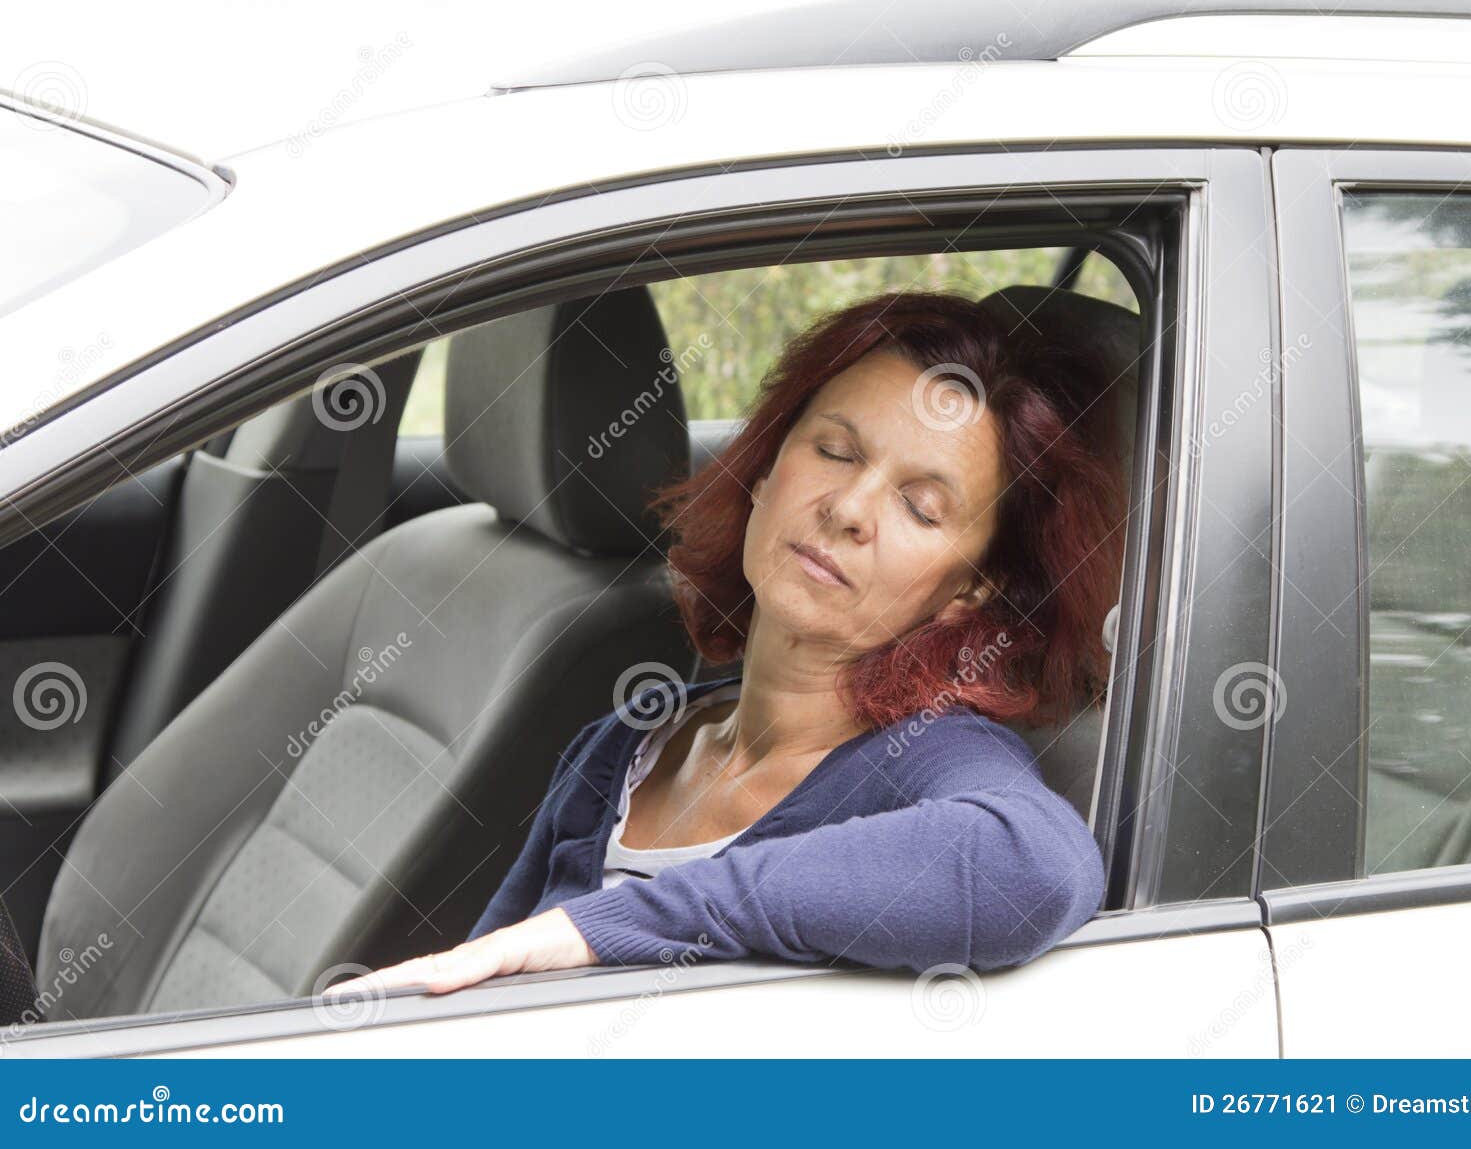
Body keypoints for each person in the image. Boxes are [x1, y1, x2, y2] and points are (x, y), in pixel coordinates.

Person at [327, 288, 1127, 1000]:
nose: (849, 506)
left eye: (920, 507)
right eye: (835, 450)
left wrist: (616, 923)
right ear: (768, 469)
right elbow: (473, 985)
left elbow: (1038, 864)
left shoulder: (928, 762)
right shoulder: (623, 747)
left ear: (969, 591)